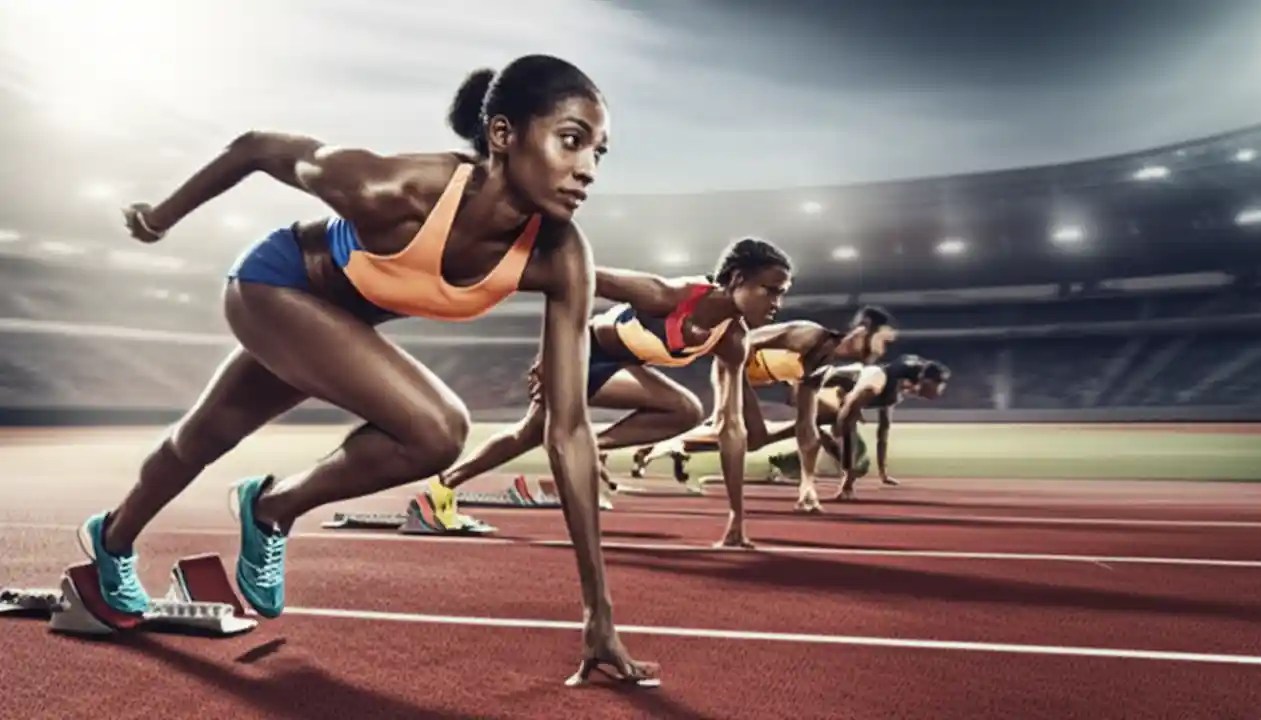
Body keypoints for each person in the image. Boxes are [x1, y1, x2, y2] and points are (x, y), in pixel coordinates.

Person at [79, 54, 656, 685]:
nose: (588, 168)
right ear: (502, 134)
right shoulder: (393, 187)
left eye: (599, 152)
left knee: (208, 434)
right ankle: (245, 515)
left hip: (339, 326)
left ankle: (129, 535)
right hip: (274, 285)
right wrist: (159, 218)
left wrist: (599, 613)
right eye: (571, 140)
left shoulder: (561, 256)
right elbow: (256, 148)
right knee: (436, 429)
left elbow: (568, 430)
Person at [432, 239, 793, 548]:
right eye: (771, 290)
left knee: (684, 411)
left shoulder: (733, 340)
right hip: (581, 350)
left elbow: (731, 428)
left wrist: (736, 518)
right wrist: (551, 350)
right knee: (531, 433)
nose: (778, 303)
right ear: (738, 279)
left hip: (620, 364)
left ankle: (582, 452)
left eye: (782, 293)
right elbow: (576, 275)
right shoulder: (669, 295)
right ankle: (442, 490)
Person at [631, 307, 897, 512]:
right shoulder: (809, 335)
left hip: (746, 377)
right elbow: (744, 342)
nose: (884, 350)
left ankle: (662, 444)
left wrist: (807, 486)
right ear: (862, 332)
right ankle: (664, 443)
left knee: (753, 438)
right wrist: (733, 399)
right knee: (736, 433)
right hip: (730, 363)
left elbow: (806, 426)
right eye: (884, 341)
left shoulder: (821, 365)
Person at [825, 355, 951, 500]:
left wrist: (883, 473)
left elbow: (883, 432)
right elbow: (847, 420)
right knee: (845, 423)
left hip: (855, 387)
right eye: (936, 384)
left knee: (847, 428)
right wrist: (848, 480)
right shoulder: (880, 383)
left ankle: (844, 476)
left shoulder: (892, 392)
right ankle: (845, 480)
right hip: (839, 383)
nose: (939, 391)